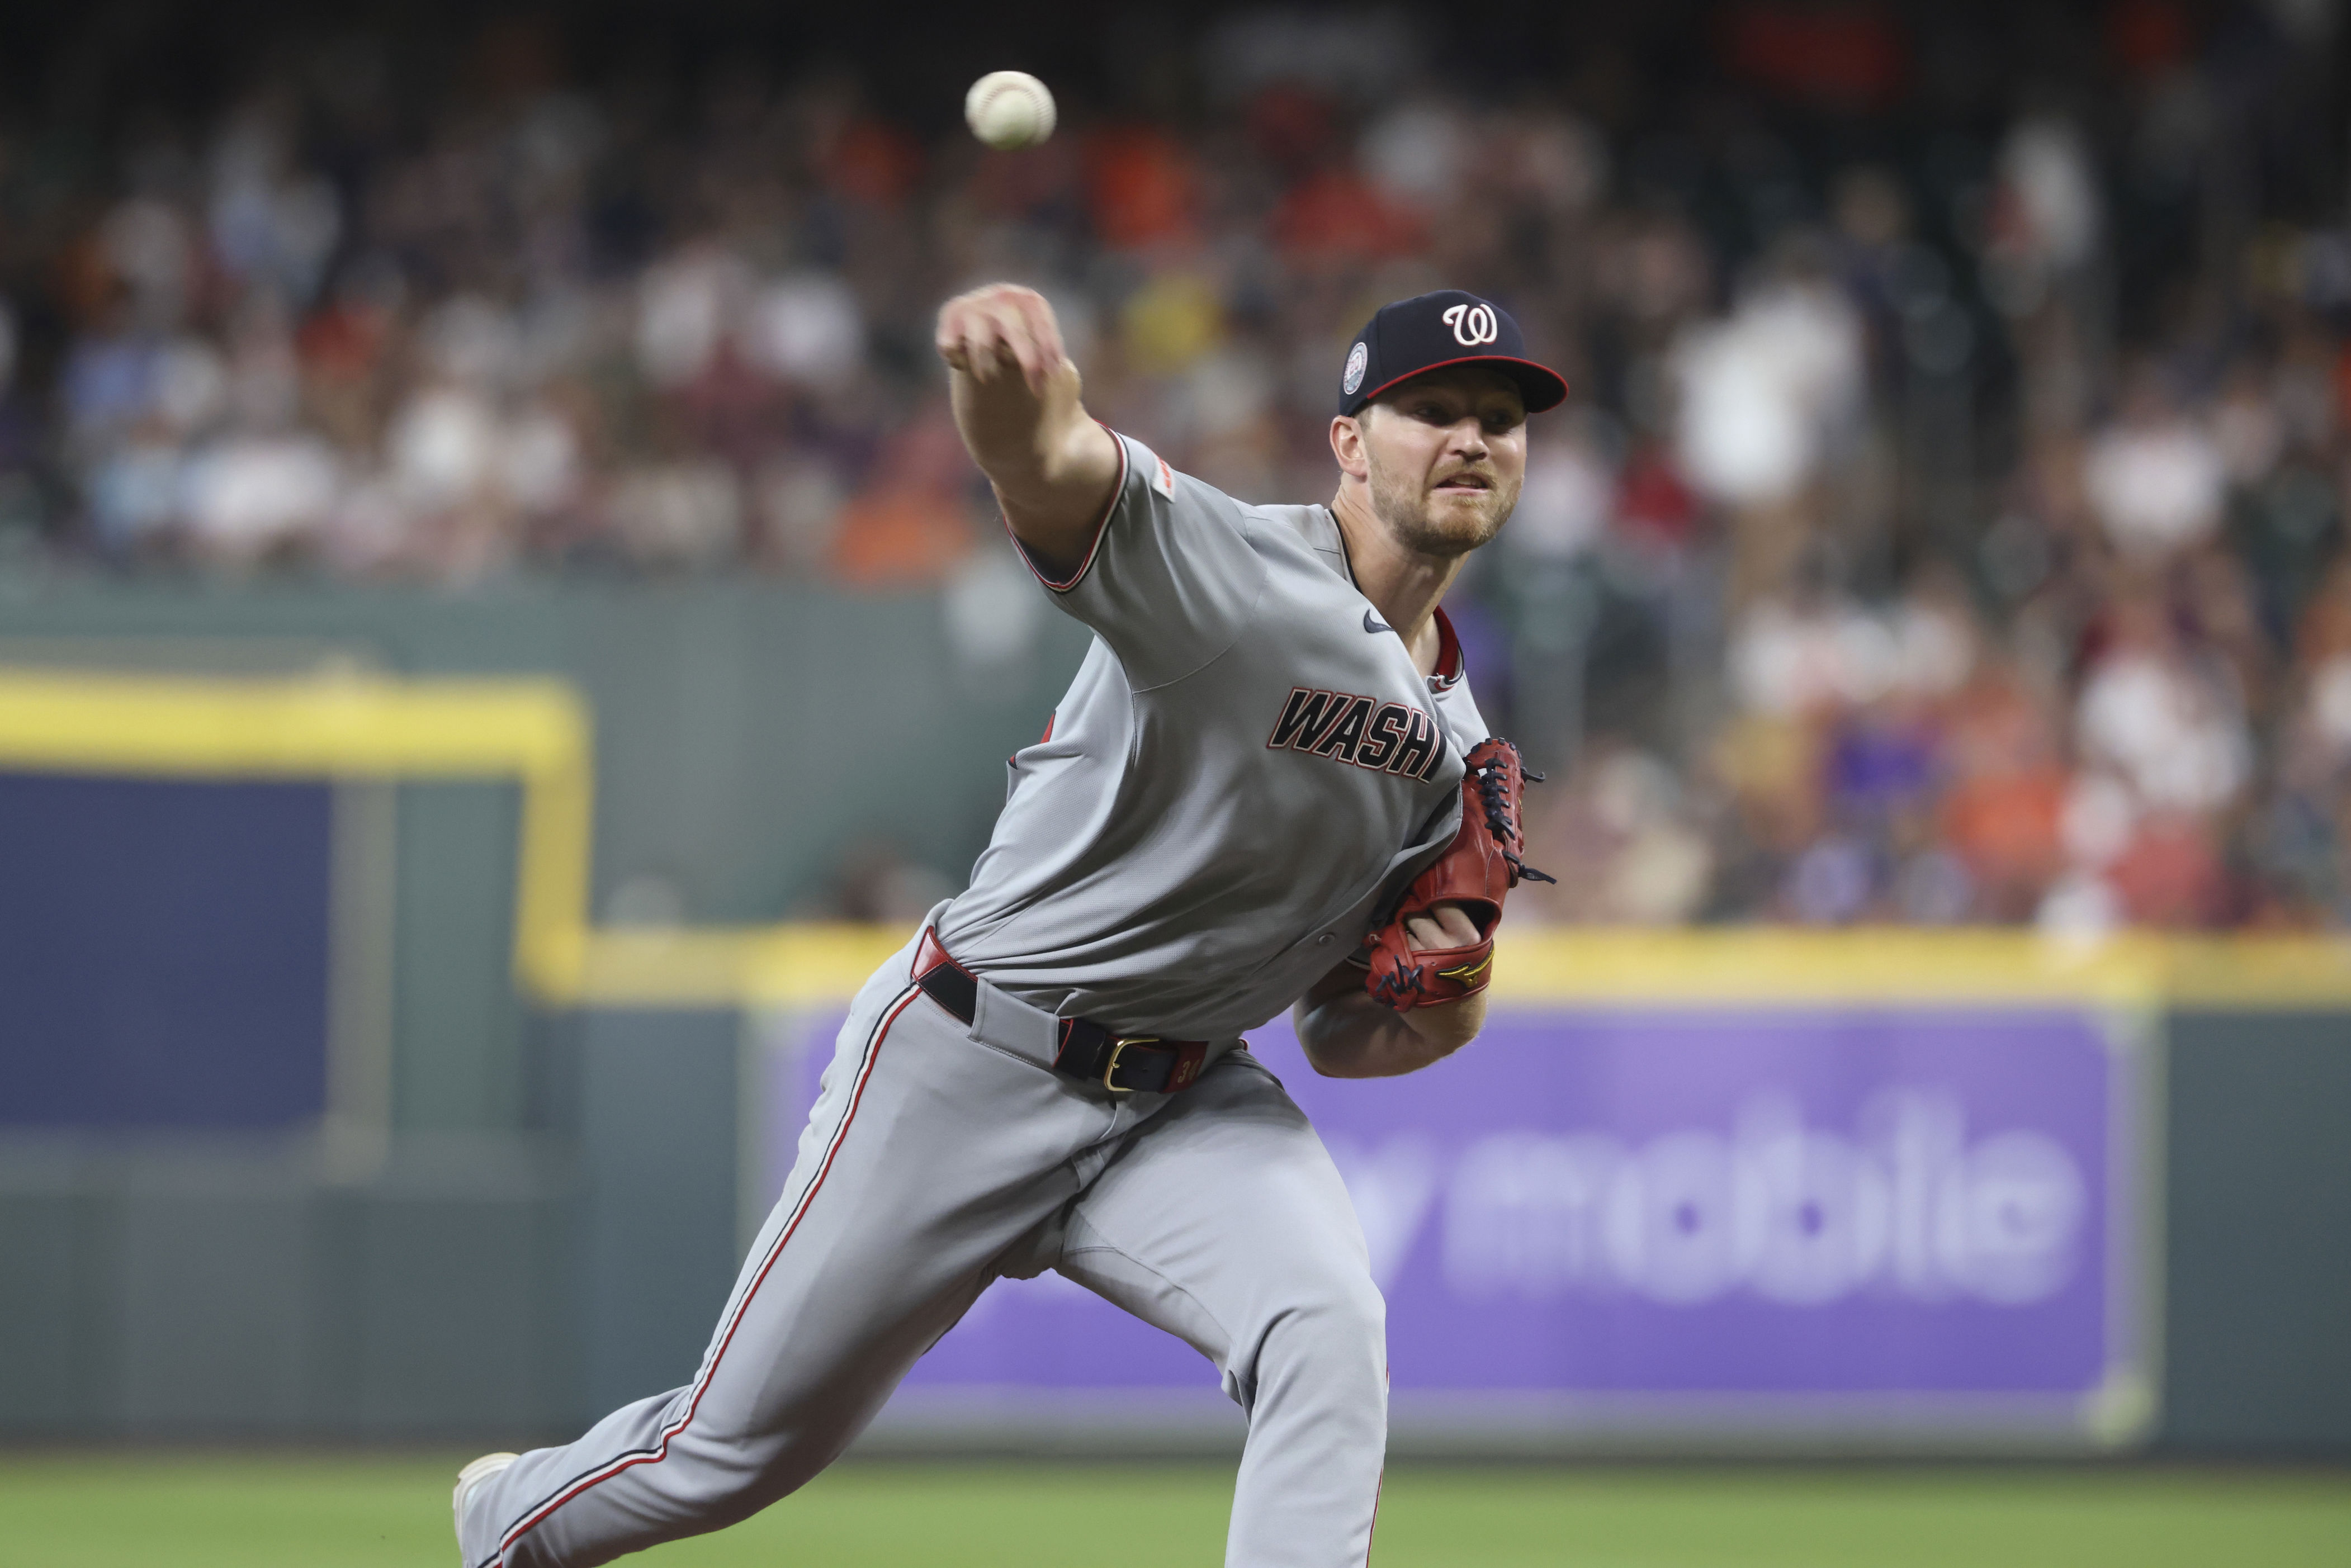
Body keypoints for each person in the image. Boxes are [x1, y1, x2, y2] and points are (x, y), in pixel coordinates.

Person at [453, 285, 1566, 1568]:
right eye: (1431, 409)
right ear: (1350, 442)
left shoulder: (1461, 747)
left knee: (1324, 1321)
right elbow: (1049, 466)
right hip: (973, 1056)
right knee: (727, 1452)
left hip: (1185, 1096)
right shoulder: (1240, 573)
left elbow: (1350, 1038)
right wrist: (1001, 379)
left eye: (1501, 417)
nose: (1473, 437)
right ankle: (503, 1523)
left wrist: (1458, 974)